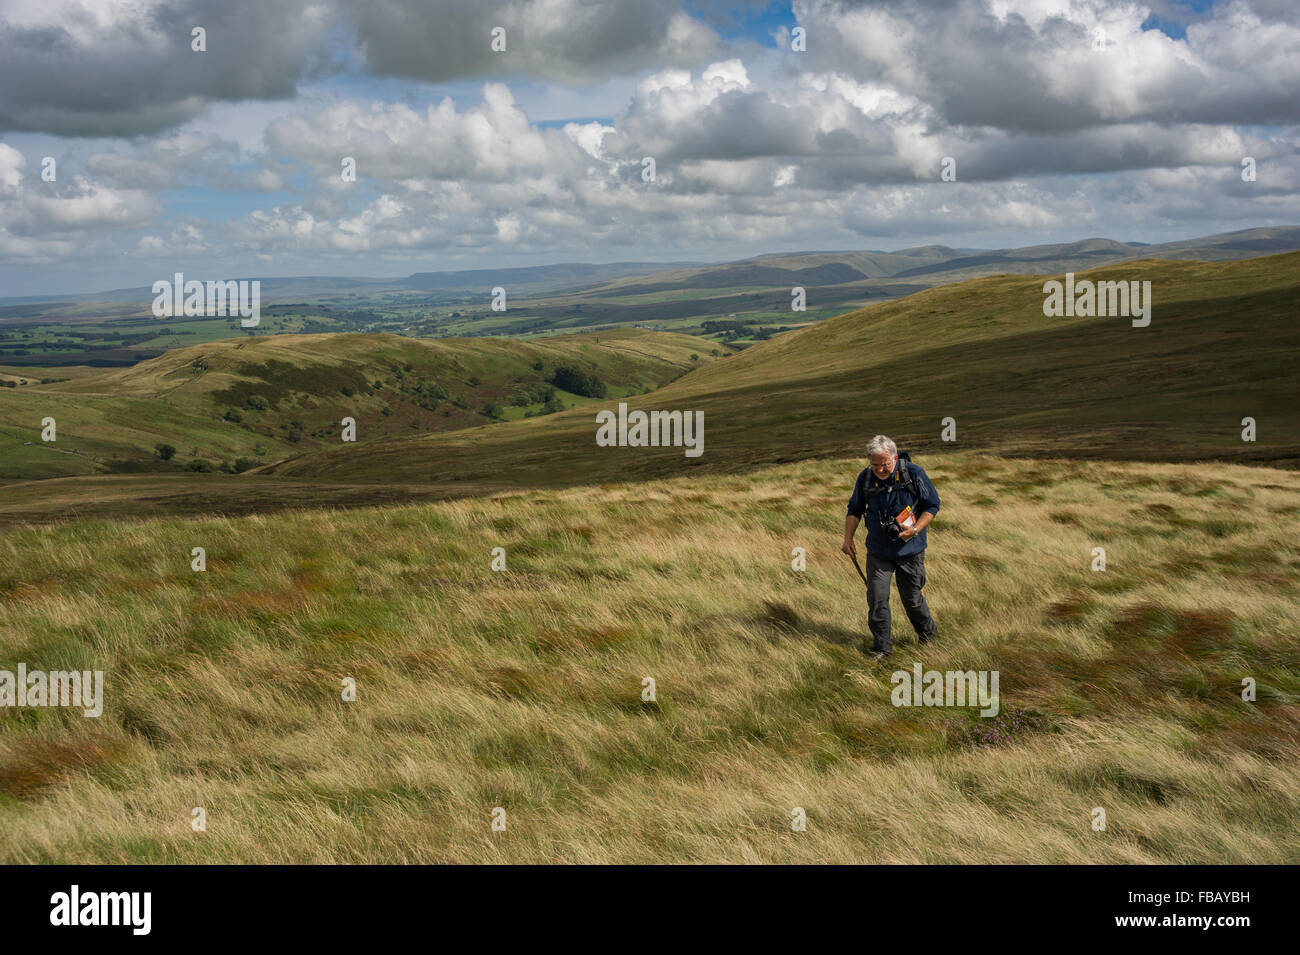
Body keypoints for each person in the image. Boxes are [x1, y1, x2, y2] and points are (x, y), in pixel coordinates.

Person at [841, 435, 941, 660]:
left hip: (910, 550)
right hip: (878, 551)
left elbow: (932, 505)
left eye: (884, 464)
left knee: (912, 598)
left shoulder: (913, 473)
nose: (880, 469)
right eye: (874, 464)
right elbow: (854, 509)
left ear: (895, 457)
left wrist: (915, 529)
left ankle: (927, 634)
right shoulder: (865, 478)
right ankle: (882, 648)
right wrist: (848, 539)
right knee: (877, 598)